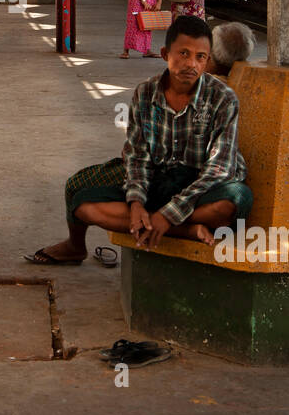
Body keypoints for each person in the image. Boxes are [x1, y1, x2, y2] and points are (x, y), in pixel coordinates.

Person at [25, 16, 252, 264]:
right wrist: (135, 203)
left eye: (200, 57)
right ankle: (185, 230)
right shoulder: (145, 92)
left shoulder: (223, 99)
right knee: (81, 202)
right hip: (159, 178)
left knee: (234, 201)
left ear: (208, 61)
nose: (192, 64)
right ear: (165, 54)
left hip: (201, 186)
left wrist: (167, 215)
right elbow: (138, 157)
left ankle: (163, 221)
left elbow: (219, 170)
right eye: (184, 53)